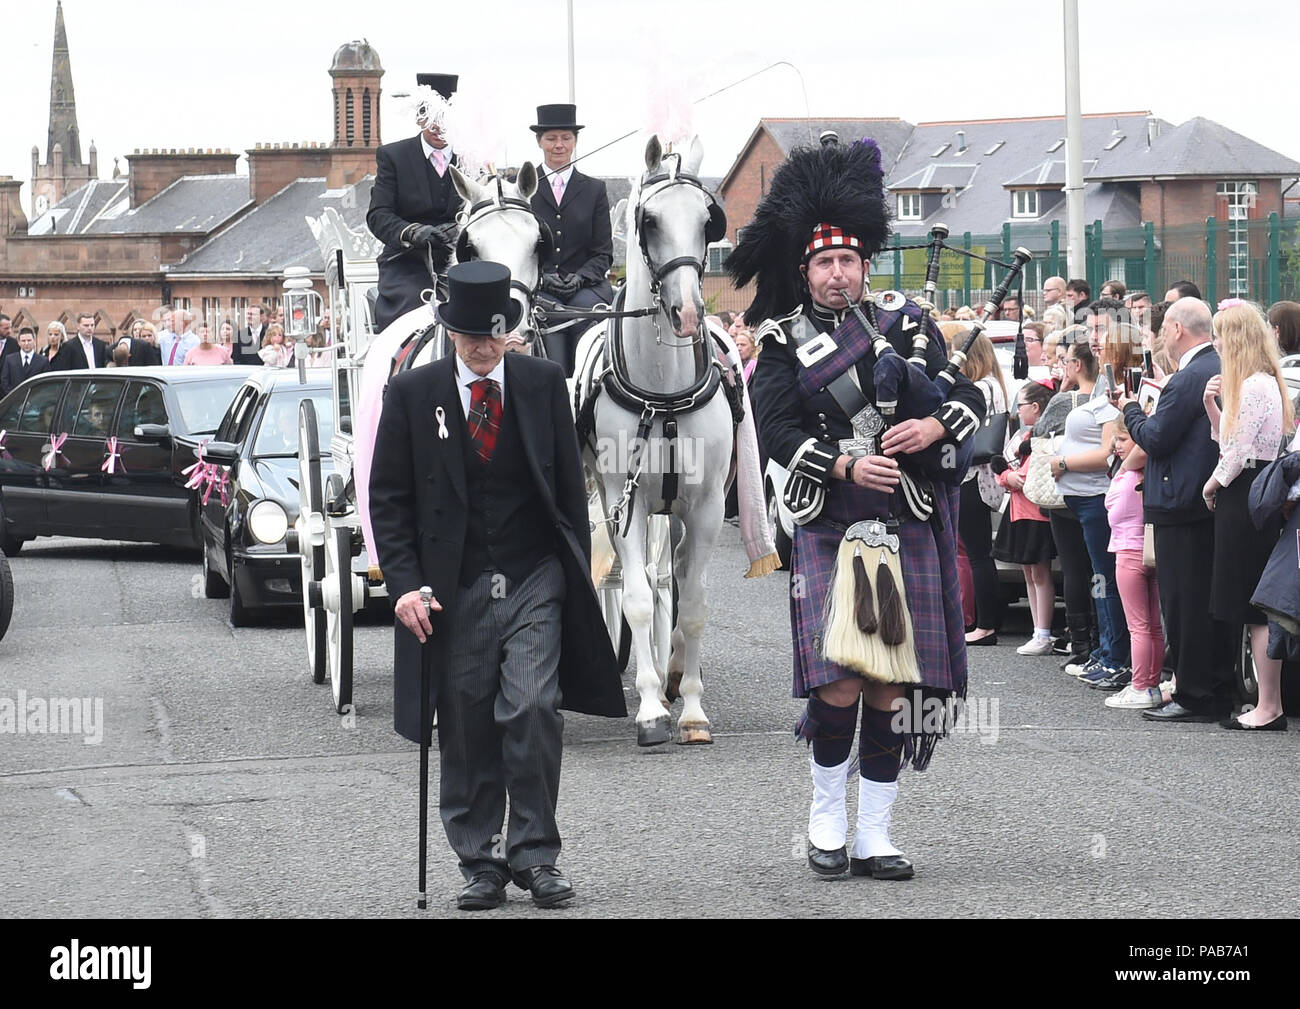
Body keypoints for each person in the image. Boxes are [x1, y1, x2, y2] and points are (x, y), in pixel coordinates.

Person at [729, 135, 984, 881]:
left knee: (892, 683)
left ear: (864, 264)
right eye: (823, 262)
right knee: (838, 678)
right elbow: (773, 427)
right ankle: (826, 816)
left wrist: (935, 424)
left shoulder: (908, 323)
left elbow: (971, 394)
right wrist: (843, 461)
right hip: (831, 521)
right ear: (805, 269)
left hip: (905, 518)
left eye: (847, 261)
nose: (837, 273)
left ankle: (876, 831)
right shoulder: (780, 340)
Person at [368, 260, 624, 911]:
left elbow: (569, 488)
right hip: (453, 584)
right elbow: (389, 499)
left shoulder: (542, 383)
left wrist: (578, 568)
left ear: (509, 330)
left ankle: (536, 855)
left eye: (495, 335)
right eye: (471, 336)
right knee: (467, 718)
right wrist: (403, 585)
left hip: (535, 572)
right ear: (449, 330)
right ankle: (480, 859)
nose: (485, 349)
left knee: (533, 704)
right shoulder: (412, 393)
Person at [1118, 297, 1235, 722]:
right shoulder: (1216, 366)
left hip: (1181, 502)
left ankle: (1193, 692)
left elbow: (1157, 437)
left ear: (1177, 329)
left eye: (1164, 328)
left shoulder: (1188, 377)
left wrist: (1130, 410)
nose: (1163, 337)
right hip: (1204, 500)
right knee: (1206, 602)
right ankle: (1212, 686)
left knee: (1184, 605)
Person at [1201, 304, 1292, 730]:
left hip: (1245, 494)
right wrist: (1211, 407)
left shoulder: (1255, 386)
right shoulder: (1263, 383)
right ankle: (1266, 703)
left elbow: (1235, 453)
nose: (1216, 343)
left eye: (1220, 336)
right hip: (1253, 491)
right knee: (1251, 604)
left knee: (1252, 606)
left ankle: (1268, 706)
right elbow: (1234, 441)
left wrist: (1212, 483)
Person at [1049, 338, 1129, 688]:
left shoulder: (1105, 403)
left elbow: (1106, 455)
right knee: (1098, 578)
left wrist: (1062, 463)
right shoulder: (1090, 398)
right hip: (1080, 499)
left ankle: (1114, 655)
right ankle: (1102, 649)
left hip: (1096, 497)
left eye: (1066, 360)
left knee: (1105, 579)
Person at [367, 73, 463, 332]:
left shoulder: (472, 157)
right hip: (408, 261)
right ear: (419, 117)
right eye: (430, 117)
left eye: (443, 118)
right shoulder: (393, 156)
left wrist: (459, 230)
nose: (437, 126)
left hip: (462, 260)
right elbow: (378, 214)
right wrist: (413, 232)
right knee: (415, 308)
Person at [529, 103, 614, 375]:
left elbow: (603, 252)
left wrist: (580, 277)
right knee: (546, 316)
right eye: (551, 138)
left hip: (585, 287)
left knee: (586, 313)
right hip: (539, 286)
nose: (559, 145)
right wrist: (542, 276)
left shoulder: (594, 189)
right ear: (539, 141)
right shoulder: (523, 187)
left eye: (566, 138)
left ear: (575, 141)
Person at [1102, 411, 1164, 709]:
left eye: (1123, 438)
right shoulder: (1151, 471)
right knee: (1153, 625)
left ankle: (1140, 686)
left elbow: (1113, 513)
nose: (1116, 444)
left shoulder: (1128, 474)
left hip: (1127, 553)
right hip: (1150, 550)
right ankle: (1150, 684)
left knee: (1138, 626)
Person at [994, 379, 1056, 654]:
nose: (1017, 412)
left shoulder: (1044, 437)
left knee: (1039, 572)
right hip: (1019, 510)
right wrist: (1007, 476)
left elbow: (1028, 475)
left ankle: (1043, 632)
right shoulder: (1023, 437)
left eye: (1021, 405)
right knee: (1028, 573)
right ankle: (1037, 630)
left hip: (1035, 512)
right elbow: (1008, 471)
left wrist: (1009, 477)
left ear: (1035, 406)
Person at [958, 333, 1008, 647]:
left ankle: (985, 625)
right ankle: (988, 621)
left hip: (974, 476)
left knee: (978, 554)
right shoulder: (995, 385)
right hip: (984, 477)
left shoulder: (979, 388)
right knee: (979, 554)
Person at [1, 327, 47, 395]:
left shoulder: (43, 361)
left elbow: (45, 383)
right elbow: (5, 381)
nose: (26, 343)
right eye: (23, 341)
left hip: (36, 401)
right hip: (14, 401)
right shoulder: (10, 359)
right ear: (18, 342)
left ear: (34, 341)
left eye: (29, 340)